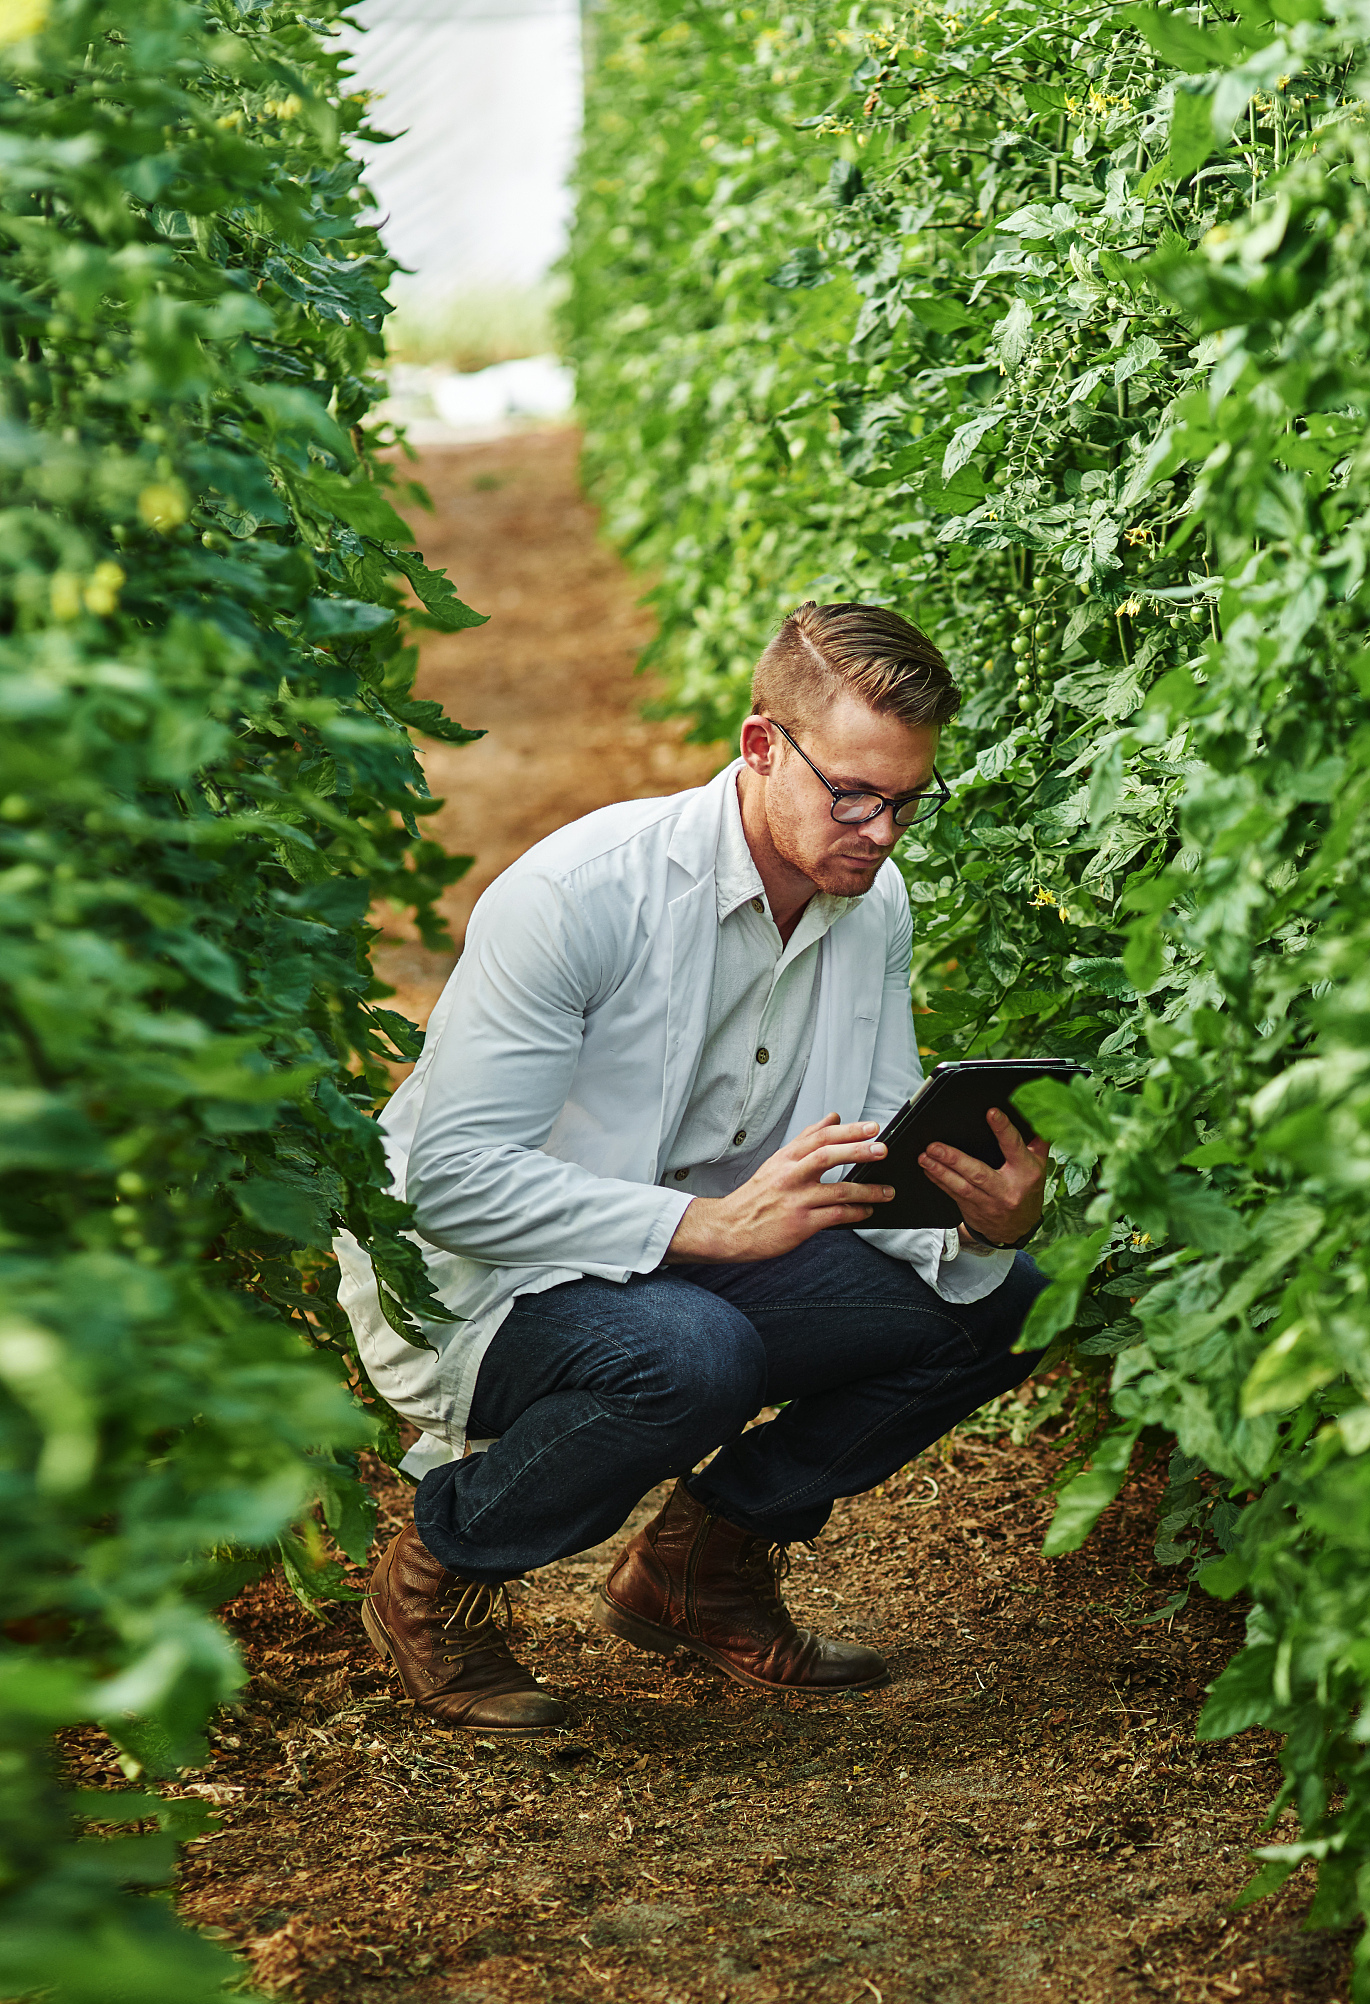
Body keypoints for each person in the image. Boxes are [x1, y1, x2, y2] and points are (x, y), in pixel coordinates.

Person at [335, 603, 1051, 1736]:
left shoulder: (869, 898)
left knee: (1002, 1303)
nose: (881, 831)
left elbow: (869, 1125)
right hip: (485, 1282)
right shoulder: (580, 895)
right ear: (762, 745)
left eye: (907, 800)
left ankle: (699, 1565)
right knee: (690, 1355)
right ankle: (437, 1563)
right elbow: (450, 1182)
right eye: (854, 793)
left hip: (710, 1252)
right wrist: (705, 1225)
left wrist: (974, 1219)